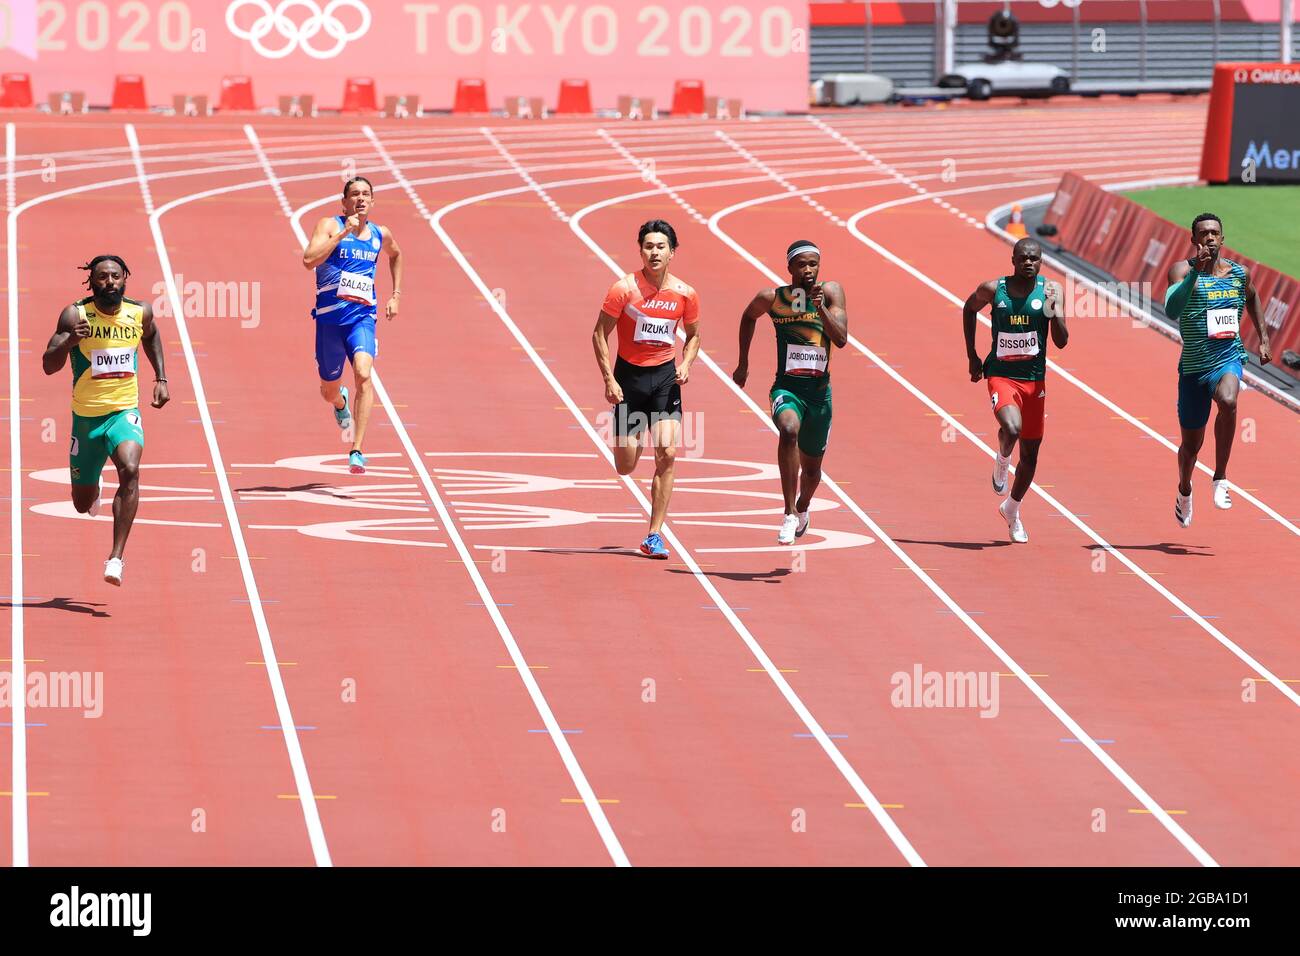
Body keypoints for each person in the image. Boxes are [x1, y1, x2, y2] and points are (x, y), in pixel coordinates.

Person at [42, 255, 169, 585]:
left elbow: (151, 335)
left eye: (115, 276)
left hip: (123, 411)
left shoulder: (139, 312)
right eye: (102, 277)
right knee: (81, 504)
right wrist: (71, 340)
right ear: (91, 282)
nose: (110, 281)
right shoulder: (76, 314)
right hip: (85, 419)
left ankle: (115, 558)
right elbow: (48, 364)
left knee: (130, 468)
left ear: (124, 279)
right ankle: (92, 484)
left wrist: (161, 378)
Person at [592, 220, 700, 559]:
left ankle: (654, 535)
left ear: (672, 252)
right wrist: (609, 379)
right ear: (640, 250)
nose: (654, 252)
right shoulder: (623, 290)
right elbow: (599, 334)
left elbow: (694, 335)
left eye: (660, 247)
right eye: (648, 246)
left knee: (667, 453)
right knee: (626, 465)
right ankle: (631, 438)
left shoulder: (685, 294)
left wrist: (686, 364)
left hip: (666, 380)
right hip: (630, 382)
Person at [733, 240, 847, 544]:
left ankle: (802, 507)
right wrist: (743, 363)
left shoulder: (832, 292)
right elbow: (748, 316)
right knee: (788, 430)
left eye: (813, 264)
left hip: (820, 396)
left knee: (812, 473)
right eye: (801, 264)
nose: (808, 270)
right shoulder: (773, 298)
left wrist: (820, 307)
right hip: (787, 388)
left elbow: (841, 339)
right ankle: (787, 514)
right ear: (789, 268)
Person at [1164, 213, 1271, 527]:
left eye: (1214, 233)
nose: (1209, 238)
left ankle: (1221, 477)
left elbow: (1252, 297)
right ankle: (1185, 488)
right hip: (1194, 369)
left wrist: (1263, 337)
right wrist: (1196, 271)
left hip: (1228, 358)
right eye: (1203, 233)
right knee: (1190, 447)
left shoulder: (1239, 274)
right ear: (1193, 239)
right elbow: (1172, 310)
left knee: (1228, 400)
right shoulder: (1181, 270)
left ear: (1222, 239)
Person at [963, 238, 1067, 544]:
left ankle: (1012, 509)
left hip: (1035, 381)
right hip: (1001, 376)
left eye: (1034, 259)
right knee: (1011, 427)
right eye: (1023, 258)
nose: (1029, 263)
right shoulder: (994, 290)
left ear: (1041, 262)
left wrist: (1054, 308)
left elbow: (1061, 341)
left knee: (1032, 456)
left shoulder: (1051, 291)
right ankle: (1001, 461)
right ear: (1013, 259)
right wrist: (972, 355)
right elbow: (968, 310)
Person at [302, 176, 403, 474]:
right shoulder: (329, 225)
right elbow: (308, 261)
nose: (360, 199)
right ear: (344, 202)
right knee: (328, 390)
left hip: (361, 318)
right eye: (355, 194)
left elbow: (396, 255)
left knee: (363, 373)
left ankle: (356, 449)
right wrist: (341, 234)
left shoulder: (379, 234)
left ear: (372, 201)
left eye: (366, 194)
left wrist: (395, 295)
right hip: (329, 322)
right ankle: (339, 403)